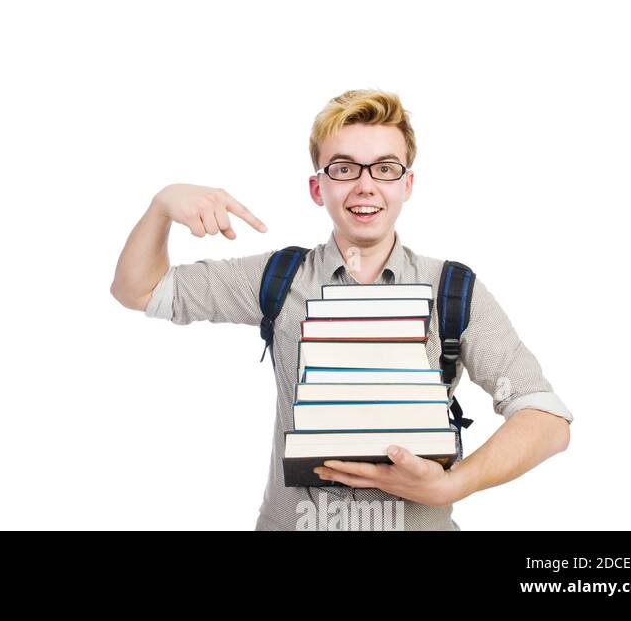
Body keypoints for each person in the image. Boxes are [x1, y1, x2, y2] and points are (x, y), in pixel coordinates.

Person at [109, 89, 570, 530]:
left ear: (407, 184)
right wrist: (161, 206)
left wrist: (453, 484)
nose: (365, 186)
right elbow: (139, 290)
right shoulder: (278, 278)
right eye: (345, 168)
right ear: (318, 187)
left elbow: (545, 418)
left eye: (385, 168)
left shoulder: (452, 289)